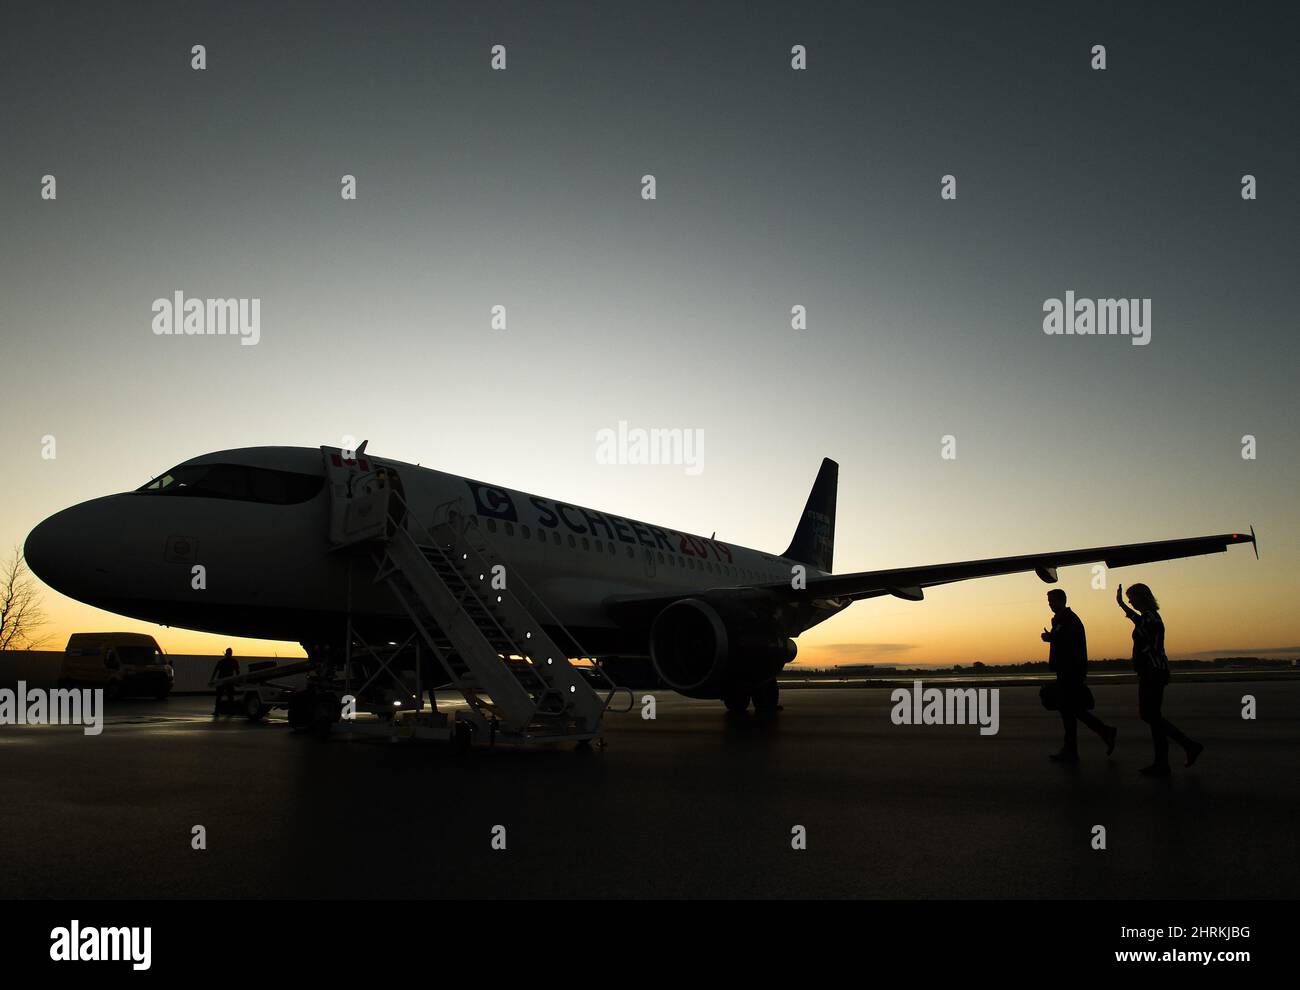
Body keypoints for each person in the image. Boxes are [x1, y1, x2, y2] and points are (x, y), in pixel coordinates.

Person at [1116, 582, 1203, 776]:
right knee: (1153, 717)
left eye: (1132, 598)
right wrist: (1122, 605)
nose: (1131, 601)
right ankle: (1163, 761)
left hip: (1153, 671)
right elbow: (1139, 621)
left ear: (1141, 597)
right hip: (1152, 671)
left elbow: (1142, 626)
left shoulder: (1152, 619)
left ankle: (1188, 746)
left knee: (1150, 715)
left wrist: (1123, 606)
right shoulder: (1150, 617)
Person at [1041, 589, 1116, 762]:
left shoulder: (1068, 620)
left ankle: (1103, 733)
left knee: (1070, 709)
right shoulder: (1064, 620)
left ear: (1062, 600)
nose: (1050, 604)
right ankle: (1073, 748)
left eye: (1052, 601)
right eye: (1049, 601)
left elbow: (1068, 642)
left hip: (1071, 671)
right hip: (1067, 670)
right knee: (1069, 710)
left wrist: (1051, 638)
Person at [210, 647, 240, 716]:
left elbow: (215, 671)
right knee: (229, 696)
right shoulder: (234, 662)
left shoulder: (222, 662)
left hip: (223, 680)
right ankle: (230, 711)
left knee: (222, 696)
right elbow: (237, 672)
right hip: (227, 680)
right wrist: (238, 680)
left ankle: (218, 711)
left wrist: (212, 679)